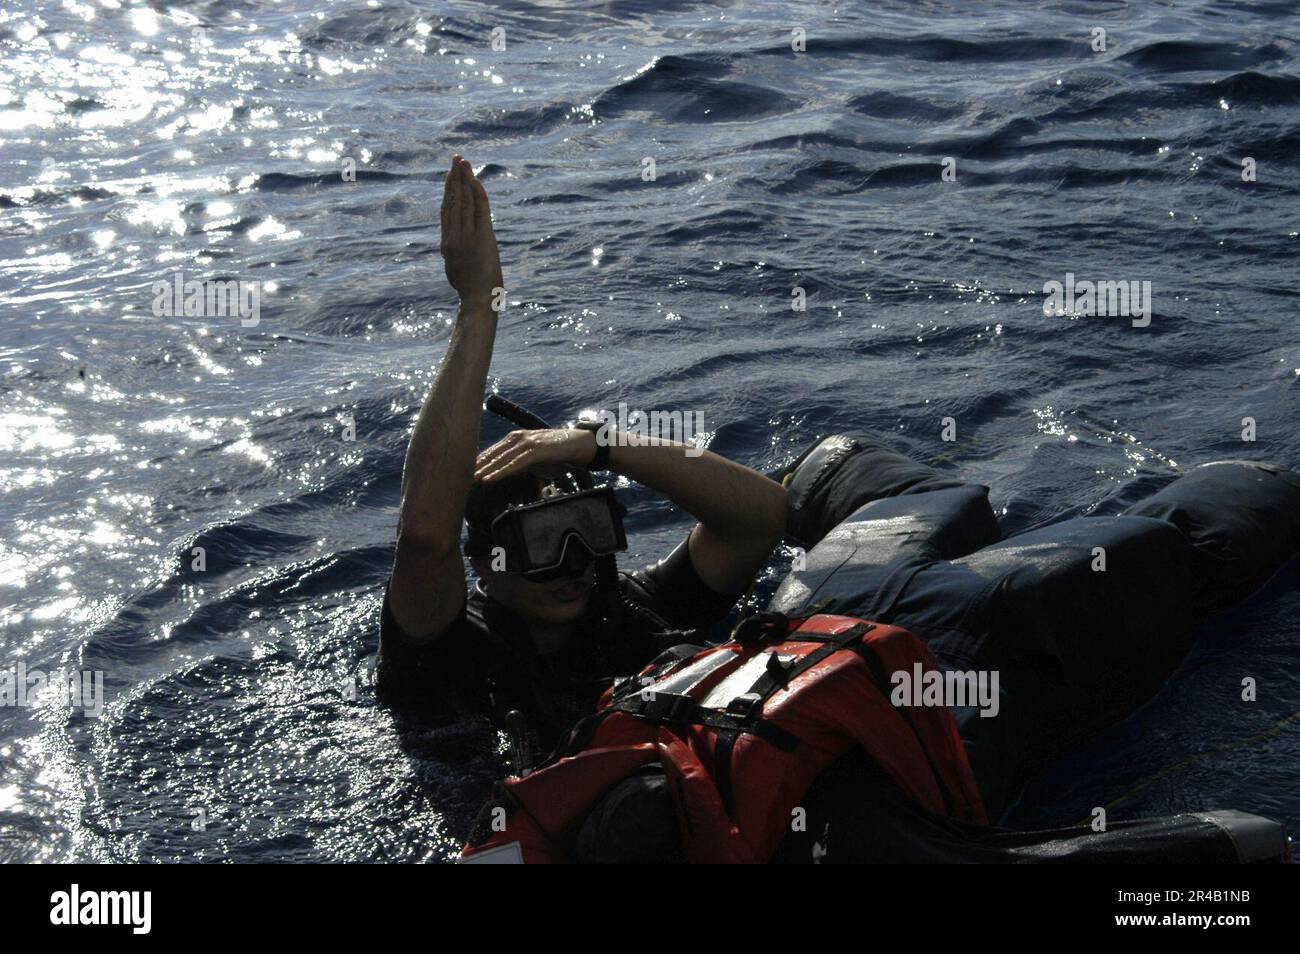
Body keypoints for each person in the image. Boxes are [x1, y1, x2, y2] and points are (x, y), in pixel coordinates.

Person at [462, 434, 1300, 863]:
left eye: (584, 537)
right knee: (912, 498)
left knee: (1173, 551)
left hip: (953, 634)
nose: (573, 567)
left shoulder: (834, 843)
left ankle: (1257, 487)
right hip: (839, 606)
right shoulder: (568, 786)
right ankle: (838, 466)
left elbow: (1233, 850)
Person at [377, 156, 786, 755]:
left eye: (586, 530)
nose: (574, 564)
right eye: (542, 541)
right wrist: (479, 303)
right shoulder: (449, 653)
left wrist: (601, 444)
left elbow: (762, 518)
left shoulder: (632, 614)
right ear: (487, 563)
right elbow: (423, 536)